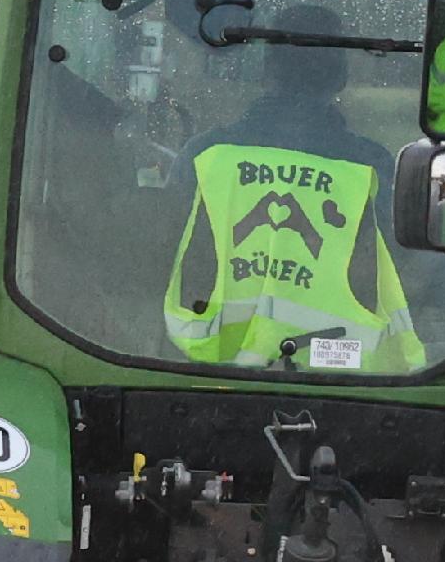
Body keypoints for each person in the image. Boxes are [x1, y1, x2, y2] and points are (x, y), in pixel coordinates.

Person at [161, 65, 426, 373]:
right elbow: (399, 258)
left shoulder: (204, 154)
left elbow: (164, 244)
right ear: (340, 80)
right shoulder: (369, 163)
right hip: (339, 375)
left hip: (194, 370)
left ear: (265, 75)